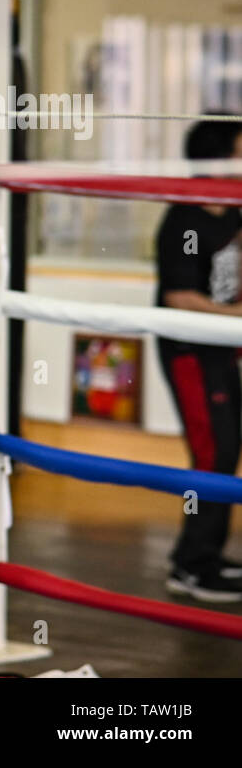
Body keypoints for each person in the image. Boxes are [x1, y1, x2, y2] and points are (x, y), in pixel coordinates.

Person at [154, 116, 242, 602]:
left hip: (223, 345)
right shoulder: (184, 218)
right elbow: (179, 295)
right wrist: (233, 313)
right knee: (213, 453)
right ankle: (189, 566)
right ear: (217, 156)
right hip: (189, 349)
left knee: (229, 450)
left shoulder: (232, 208)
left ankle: (207, 555)